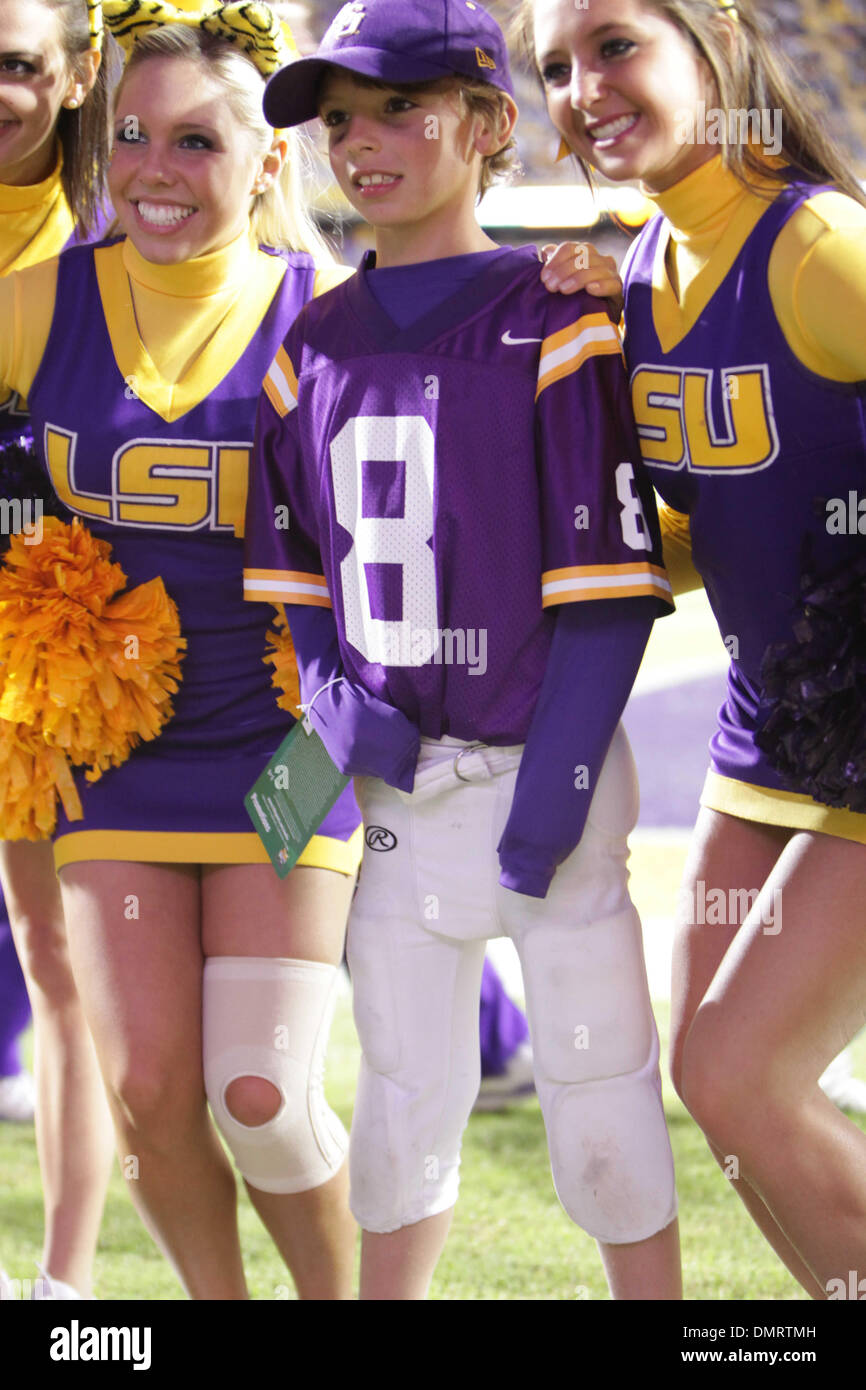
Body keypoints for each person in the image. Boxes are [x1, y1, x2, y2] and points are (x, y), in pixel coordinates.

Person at [246, 0, 681, 1300]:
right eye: (338, 121)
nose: (361, 143)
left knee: (602, 1094)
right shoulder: (308, 345)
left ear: (490, 123)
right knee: (398, 1096)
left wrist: (546, 801)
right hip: (390, 788)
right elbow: (299, 581)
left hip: (535, 762)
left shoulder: (553, 318)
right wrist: (330, 702)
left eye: (398, 108)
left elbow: (605, 594)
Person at [0, 2, 363, 1299]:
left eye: (198, 144)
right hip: (116, 759)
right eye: (135, 137)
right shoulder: (38, 308)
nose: (155, 169)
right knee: (148, 1081)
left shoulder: (338, 318)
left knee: (260, 1088)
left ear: (272, 160)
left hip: (293, 750)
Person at [527, 0, 866, 1296]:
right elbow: (700, 517)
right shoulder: (640, 269)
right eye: (555, 66)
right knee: (721, 1101)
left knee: (741, 1074)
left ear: (714, 46)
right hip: (766, 719)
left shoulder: (817, 249)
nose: (580, 87)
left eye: (613, 45)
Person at [0, 0, 116, 1301]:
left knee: (59, 962)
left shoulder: (121, 234)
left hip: (52, 659)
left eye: (19, 64)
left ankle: (62, 1285)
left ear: (81, 74)